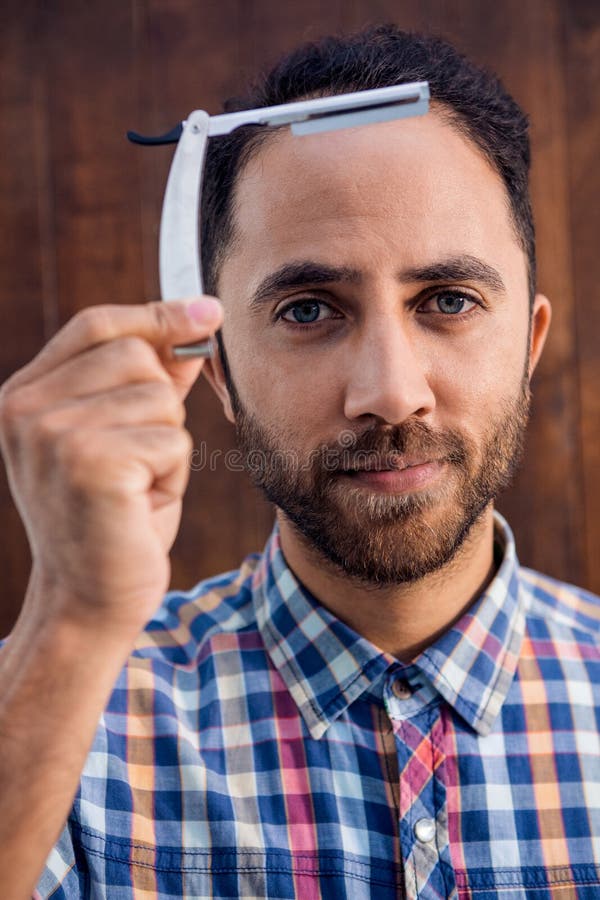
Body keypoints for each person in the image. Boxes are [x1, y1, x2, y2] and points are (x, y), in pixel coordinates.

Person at [0, 23, 598, 900]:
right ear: (217, 371)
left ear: (529, 343)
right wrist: (73, 619)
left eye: (449, 300)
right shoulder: (61, 711)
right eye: (310, 310)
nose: (391, 395)